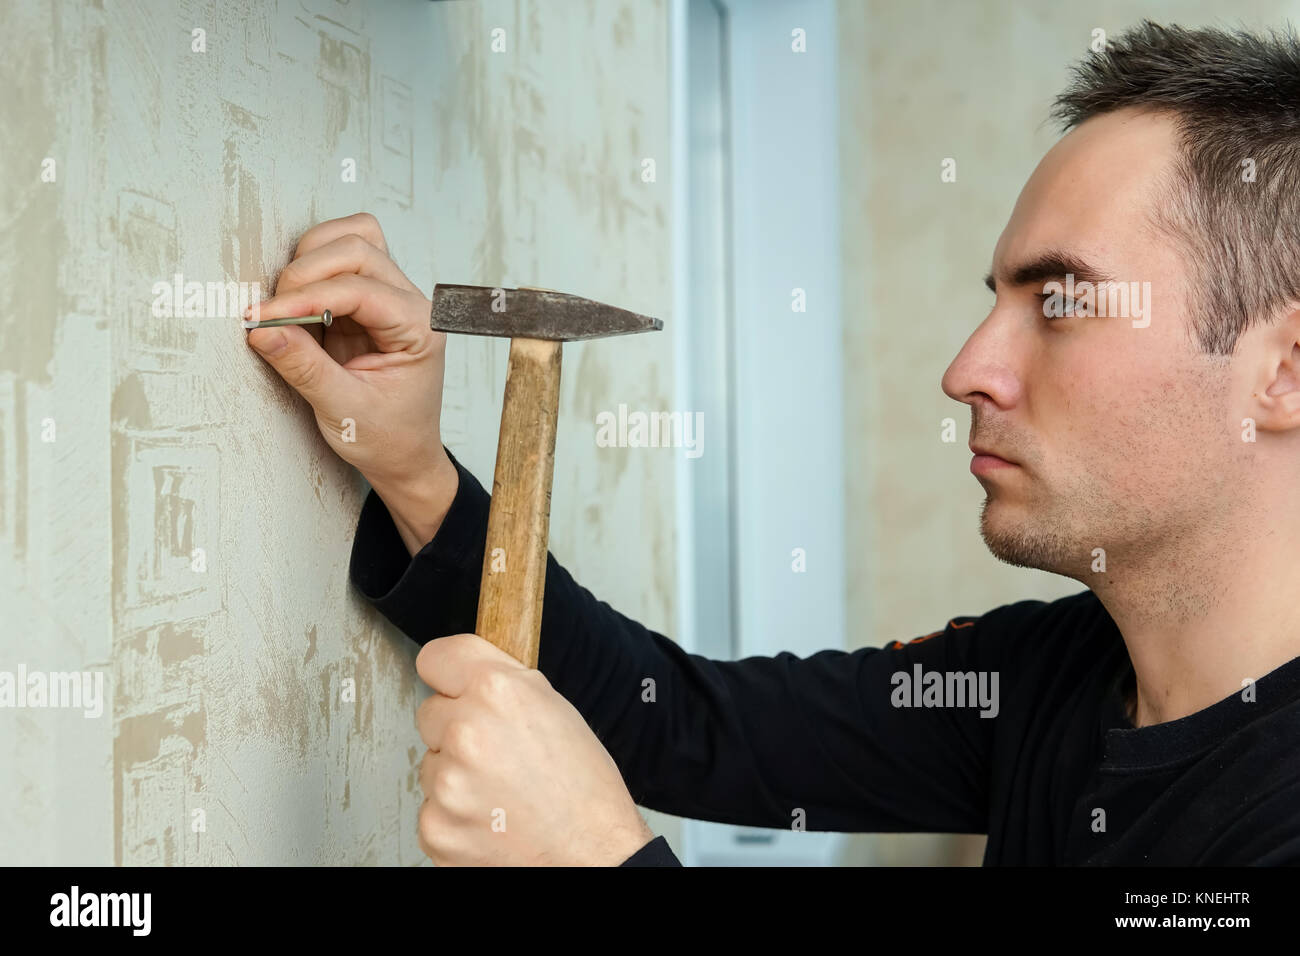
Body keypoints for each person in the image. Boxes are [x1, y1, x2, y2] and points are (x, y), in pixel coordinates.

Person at [245, 21, 1300, 865]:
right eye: (995, 299)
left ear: (1284, 369)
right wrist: (412, 469)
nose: (967, 366)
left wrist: (597, 855)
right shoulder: (1045, 675)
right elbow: (678, 724)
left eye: (1061, 299)